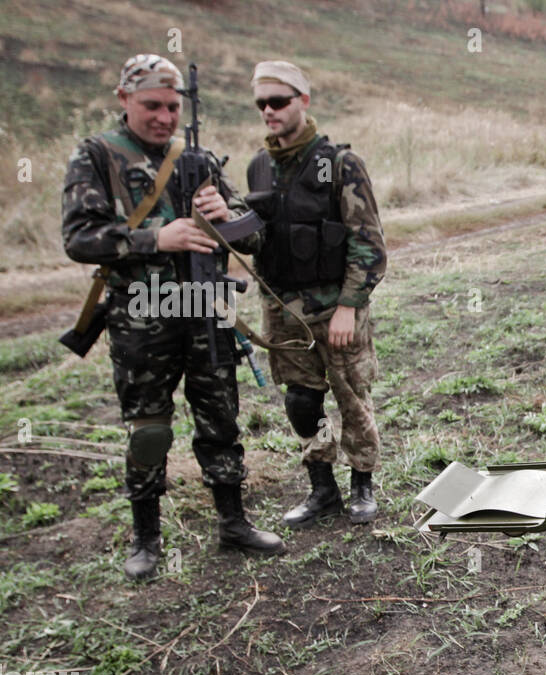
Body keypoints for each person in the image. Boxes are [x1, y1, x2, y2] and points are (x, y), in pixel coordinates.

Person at [62, 54, 285, 580]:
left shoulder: (199, 160)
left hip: (205, 311)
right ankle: (147, 537)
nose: (163, 116)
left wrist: (224, 217)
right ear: (124, 100)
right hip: (142, 318)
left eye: (171, 106)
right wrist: (152, 238)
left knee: (221, 420)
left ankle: (234, 522)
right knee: (149, 429)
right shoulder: (96, 155)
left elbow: (251, 238)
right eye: (151, 105)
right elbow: (78, 239)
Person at [245, 60, 386, 527]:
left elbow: (368, 244)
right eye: (261, 102)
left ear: (303, 101)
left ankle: (362, 484)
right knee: (302, 401)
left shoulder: (340, 165)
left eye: (278, 101)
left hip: (335, 309)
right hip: (283, 311)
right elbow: (258, 240)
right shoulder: (258, 169)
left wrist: (349, 306)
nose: (269, 111)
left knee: (351, 397)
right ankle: (322, 489)